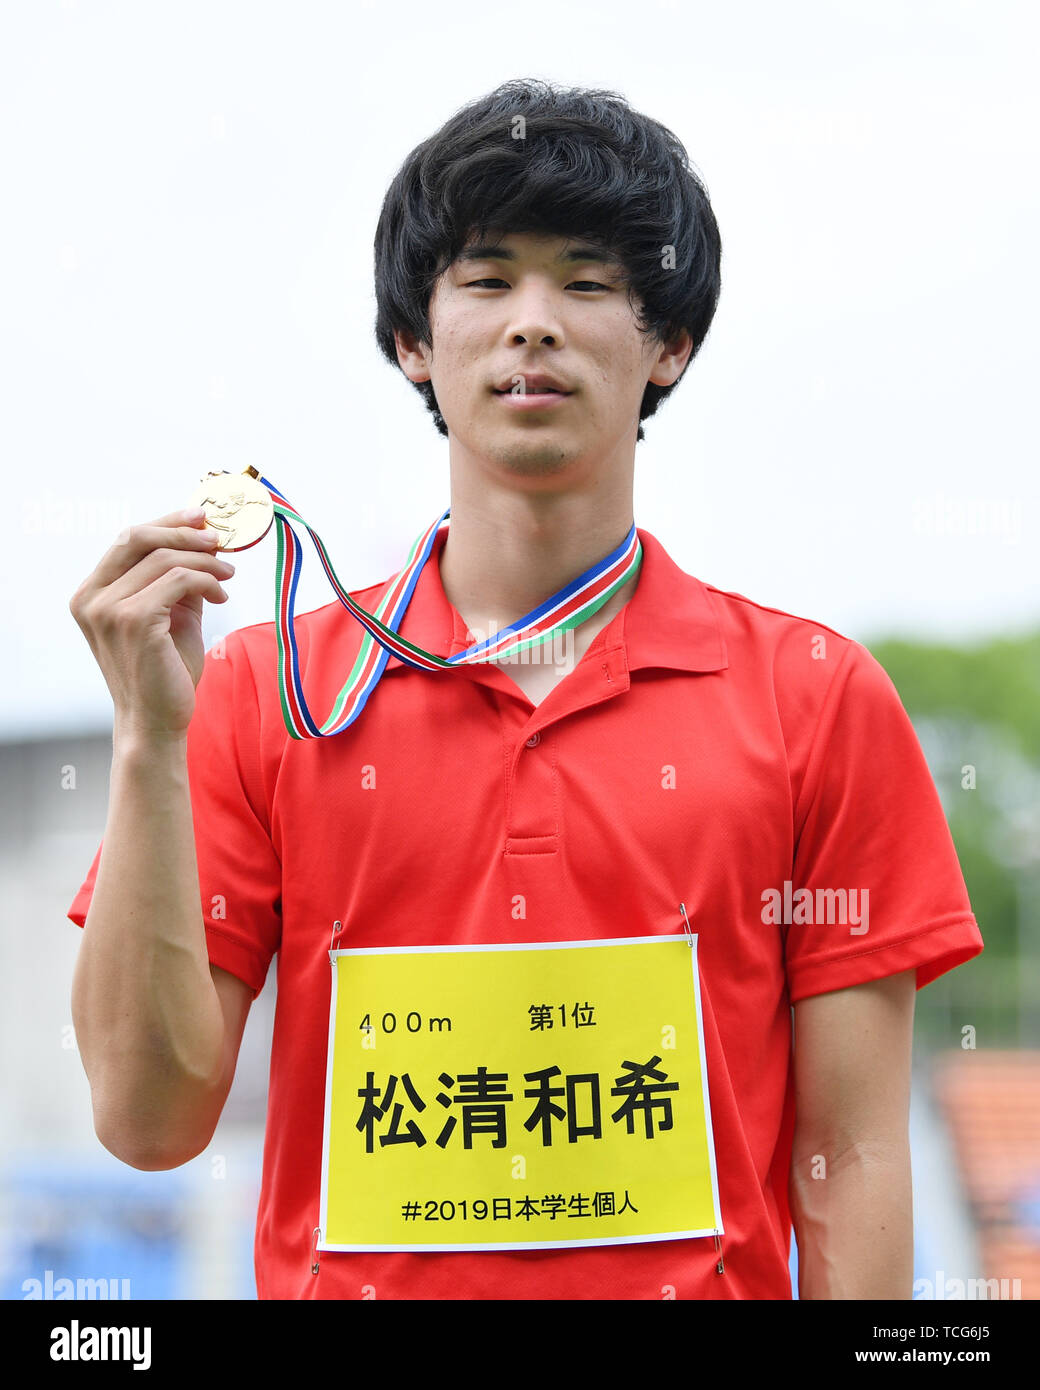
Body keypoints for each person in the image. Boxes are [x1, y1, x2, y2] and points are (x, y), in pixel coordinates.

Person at [67, 77, 983, 1301]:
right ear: (412, 340)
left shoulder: (814, 697)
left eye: (588, 282)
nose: (532, 324)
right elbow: (146, 1120)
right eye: (487, 281)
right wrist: (144, 742)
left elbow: (850, 1147)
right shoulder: (258, 690)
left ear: (670, 343)